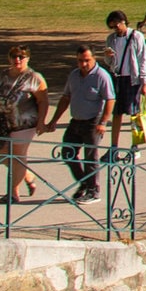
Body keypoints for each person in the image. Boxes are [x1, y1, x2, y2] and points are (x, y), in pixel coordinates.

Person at [0, 45, 49, 203]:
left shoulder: (34, 77)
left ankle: (13, 193)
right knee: (3, 155)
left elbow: (43, 101)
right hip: (4, 123)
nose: (17, 60)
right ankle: (28, 175)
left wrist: (41, 122)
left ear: (28, 58)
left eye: (21, 57)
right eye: (14, 56)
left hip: (25, 123)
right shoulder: (2, 75)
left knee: (18, 156)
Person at [53, 45, 116, 201]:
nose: (83, 64)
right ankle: (84, 183)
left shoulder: (101, 76)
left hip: (93, 122)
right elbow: (66, 98)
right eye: (80, 61)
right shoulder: (74, 75)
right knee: (68, 153)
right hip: (76, 121)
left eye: (87, 60)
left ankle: (93, 191)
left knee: (90, 157)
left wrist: (103, 122)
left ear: (94, 58)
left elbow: (110, 99)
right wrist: (53, 121)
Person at [102, 11, 146, 150]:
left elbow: (142, 59)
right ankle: (114, 146)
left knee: (134, 114)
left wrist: (144, 81)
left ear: (123, 22)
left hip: (132, 79)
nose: (115, 29)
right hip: (117, 78)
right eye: (112, 27)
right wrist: (107, 56)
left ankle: (135, 146)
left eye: (116, 26)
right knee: (117, 113)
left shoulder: (136, 36)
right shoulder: (111, 39)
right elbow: (108, 62)